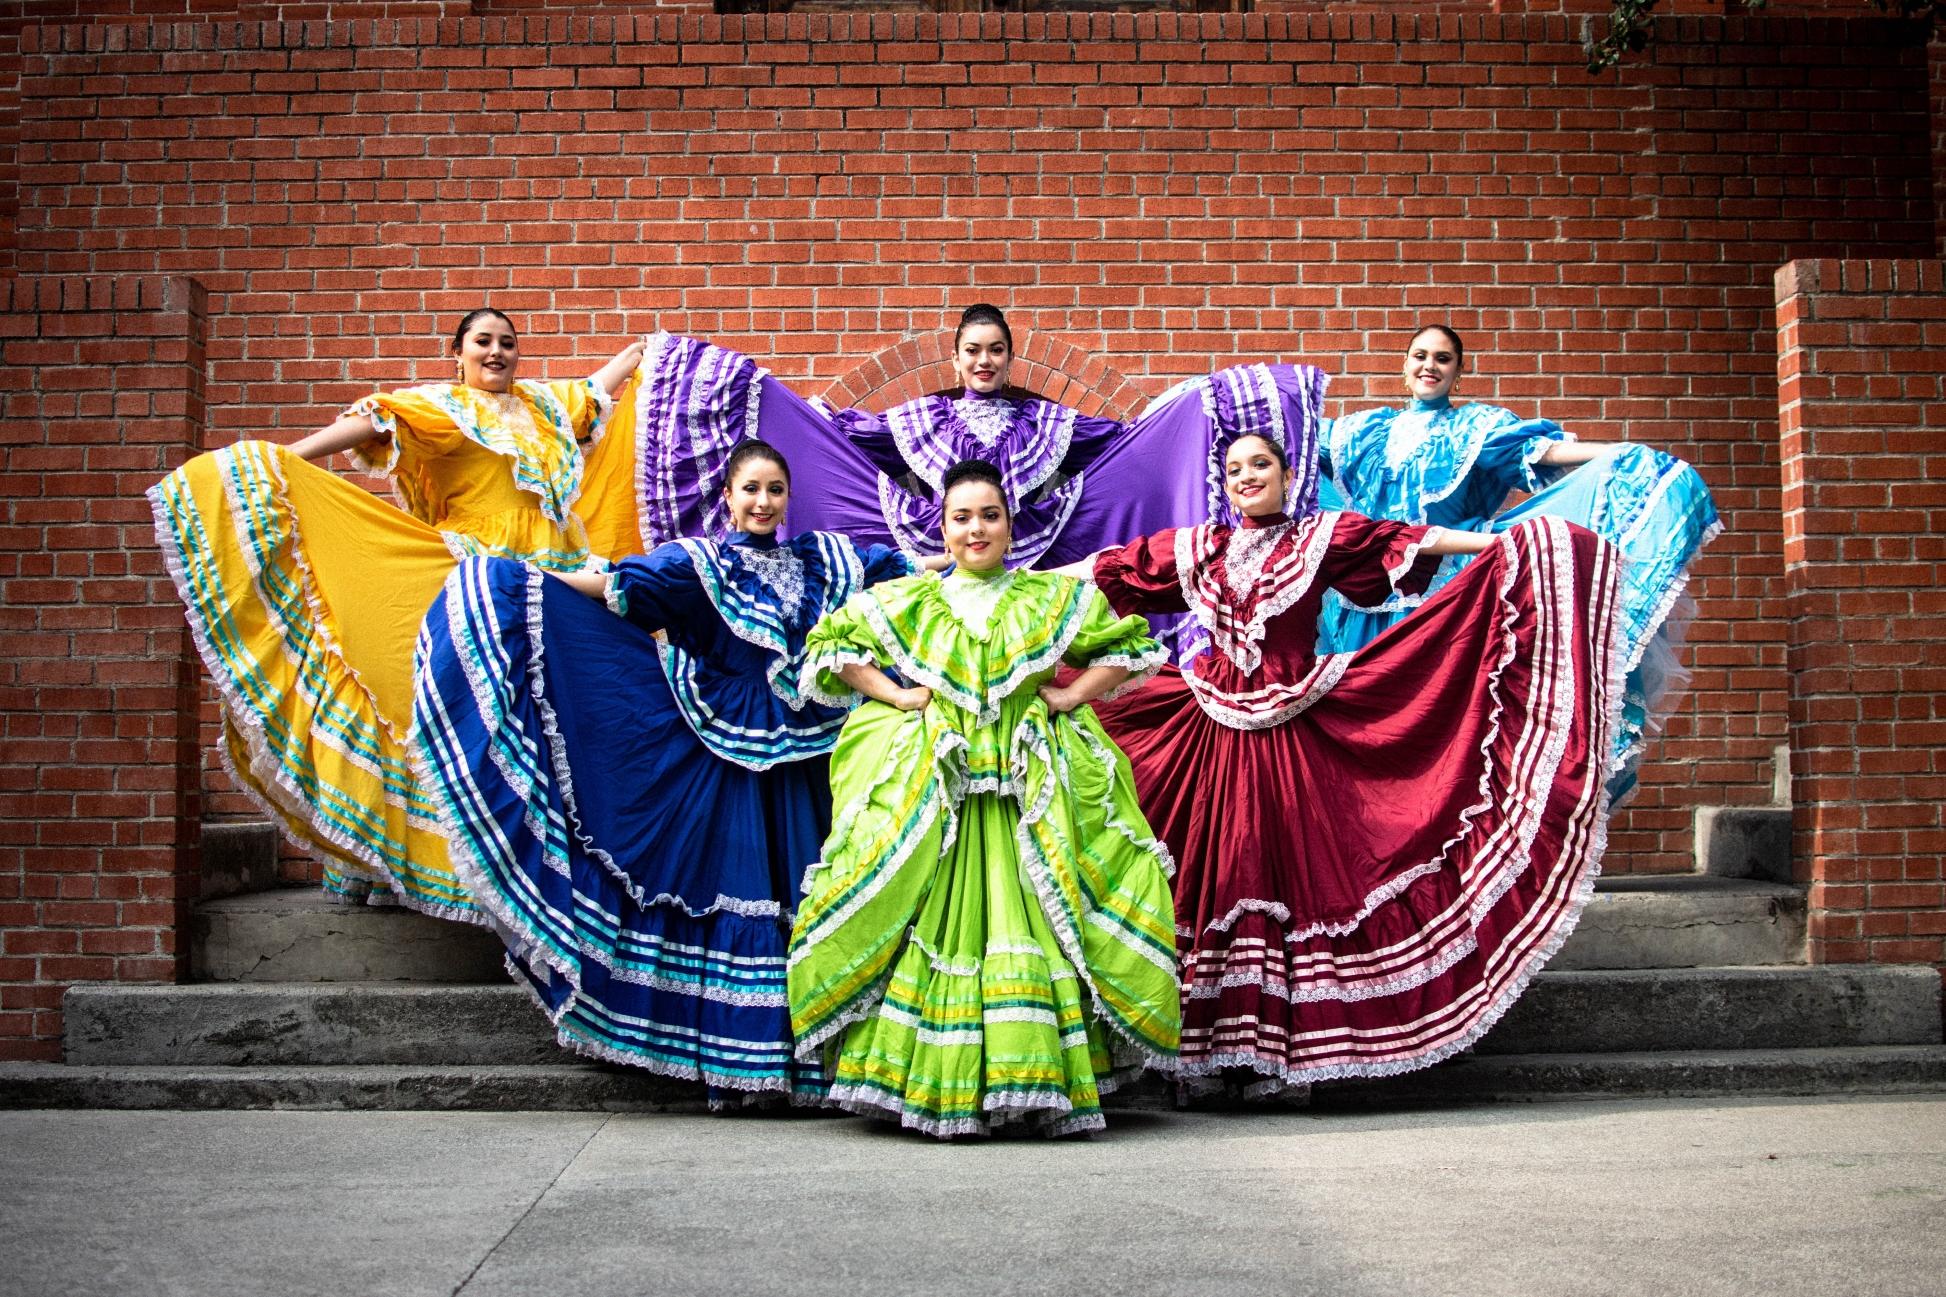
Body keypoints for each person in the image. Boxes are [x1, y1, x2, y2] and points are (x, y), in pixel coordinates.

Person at [1075, 431, 1627, 1098]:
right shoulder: (1200, 547)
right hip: (1209, 734)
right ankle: (1201, 1053)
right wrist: (994, 575)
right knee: (1207, 879)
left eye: (1260, 465)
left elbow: (1415, 541)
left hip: (1295, 732)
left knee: (1293, 885)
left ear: (1287, 474)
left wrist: (1501, 548)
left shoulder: (1321, 536)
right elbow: (1107, 568)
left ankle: (1280, 1058)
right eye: (1234, 469)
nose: (1247, 477)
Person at [412, 440, 926, 1102]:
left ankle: (827, 1048)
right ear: (729, 498)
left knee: (816, 881)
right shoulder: (699, 564)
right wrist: (529, 584)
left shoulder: (827, 559)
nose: (763, 502)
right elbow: (620, 588)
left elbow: (903, 577)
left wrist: (965, 559)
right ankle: (751, 1066)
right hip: (725, 748)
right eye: (751, 490)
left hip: (815, 747)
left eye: (774, 489)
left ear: (787, 496)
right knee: (741, 882)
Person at [148, 309, 643, 918]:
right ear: (456, 353)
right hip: (479, 576)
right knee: (473, 717)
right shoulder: (444, 407)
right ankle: (452, 869)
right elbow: (373, 419)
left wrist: (650, 351)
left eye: (507, 344)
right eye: (482, 342)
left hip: (556, 579)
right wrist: (290, 459)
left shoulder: (543, 406)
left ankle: (540, 873)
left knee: (549, 720)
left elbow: (598, 387)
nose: (496, 353)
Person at [785, 459, 1182, 1137]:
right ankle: (938, 1080)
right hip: (941, 796)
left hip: (1031, 795)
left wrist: (1068, 694)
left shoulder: (1048, 599)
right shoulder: (912, 598)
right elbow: (829, 646)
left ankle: (1032, 1077)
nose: (976, 529)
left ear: (1010, 525)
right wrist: (899, 694)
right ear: (943, 526)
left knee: (1043, 913)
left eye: (989, 515)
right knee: (924, 910)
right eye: (962, 516)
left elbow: (1130, 647)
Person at [582, 306, 1331, 662]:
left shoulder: (1052, 421)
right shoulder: (920, 413)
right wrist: (791, 409)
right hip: (935, 541)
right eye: (972, 349)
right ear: (958, 354)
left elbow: (1122, 442)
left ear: (1009, 356)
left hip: (1036, 543)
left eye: (995, 349)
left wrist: (1182, 408)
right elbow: (849, 434)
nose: (984, 360)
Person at [1318, 324, 1720, 798]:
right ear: (1404, 368)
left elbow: (1543, 453)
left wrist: (1616, 453)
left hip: (1449, 592)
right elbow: (1292, 451)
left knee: (1443, 721)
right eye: (1420, 356)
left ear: (1458, 374)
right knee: (1366, 719)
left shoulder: (1473, 429)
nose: (1430, 366)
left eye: (1443, 359)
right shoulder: (1360, 432)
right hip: (1367, 595)